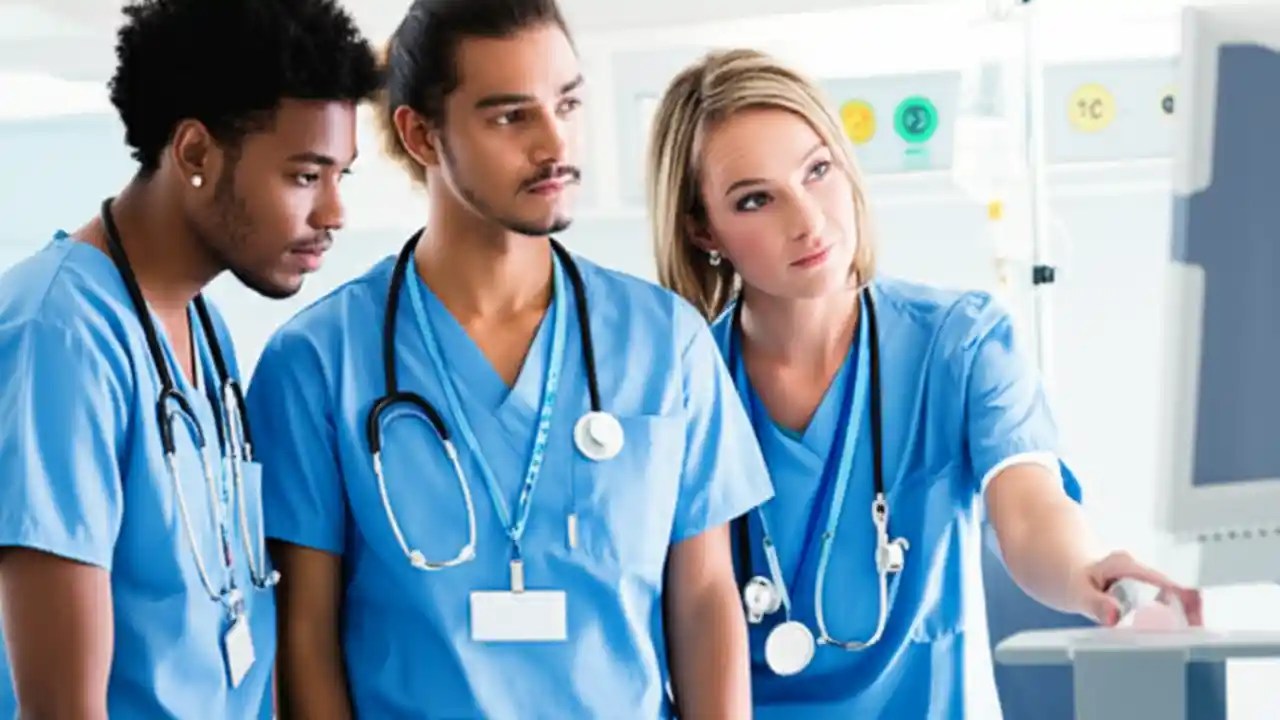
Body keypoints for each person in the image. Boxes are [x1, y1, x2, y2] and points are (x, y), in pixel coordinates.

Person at [243, 1, 773, 718]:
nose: (555, 143)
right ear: (422, 135)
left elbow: (705, 597)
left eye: (568, 104)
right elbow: (306, 638)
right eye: (511, 117)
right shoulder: (317, 362)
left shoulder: (665, 343)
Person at [647, 47, 1204, 718]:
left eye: (818, 170)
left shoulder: (959, 344)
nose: (808, 220)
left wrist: (1089, 573)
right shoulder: (679, 385)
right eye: (756, 199)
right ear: (703, 231)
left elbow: (1031, 511)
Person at [0, 1, 381, 717]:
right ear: (196, 153)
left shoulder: (204, 329)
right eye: (306, 176)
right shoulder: (61, 336)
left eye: (342, 177)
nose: (334, 214)